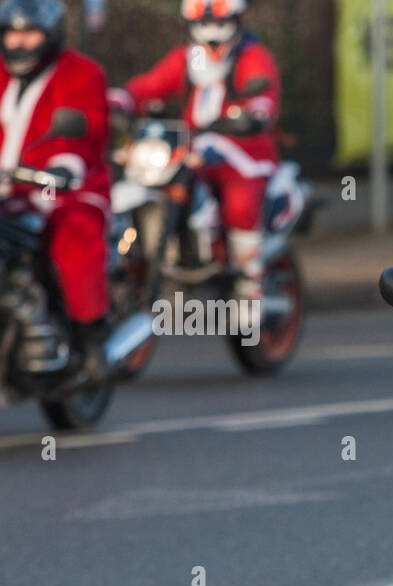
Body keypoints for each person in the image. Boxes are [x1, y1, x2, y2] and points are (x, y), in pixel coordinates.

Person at [109, 0, 280, 300]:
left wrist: (257, 112)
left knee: (240, 203)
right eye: (204, 22)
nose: (211, 31)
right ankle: (160, 254)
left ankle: (248, 283)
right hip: (194, 149)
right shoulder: (188, 59)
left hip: (244, 152)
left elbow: (263, 94)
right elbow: (151, 84)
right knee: (147, 175)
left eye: (218, 22)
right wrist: (121, 99)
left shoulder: (251, 55)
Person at [0, 0, 111, 382]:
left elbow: (88, 125)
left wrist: (65, 164)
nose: (19, 43)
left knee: (73, 240)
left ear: (49, 35)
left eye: (28, 34)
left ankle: (89, 340)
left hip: (64, 189)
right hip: (5, 191)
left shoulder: (81, 73)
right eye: (12, 34)